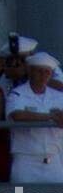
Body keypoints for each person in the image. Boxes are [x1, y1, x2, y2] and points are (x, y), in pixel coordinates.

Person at [6, 51, 63, 184]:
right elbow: (17, 115)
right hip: (26, 160)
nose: (43, 76)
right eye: (39, 71)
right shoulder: (17, 93)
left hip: (53, 160)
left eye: (47, 72)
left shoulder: (59, 97)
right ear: (30, 71)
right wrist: (50, 116)